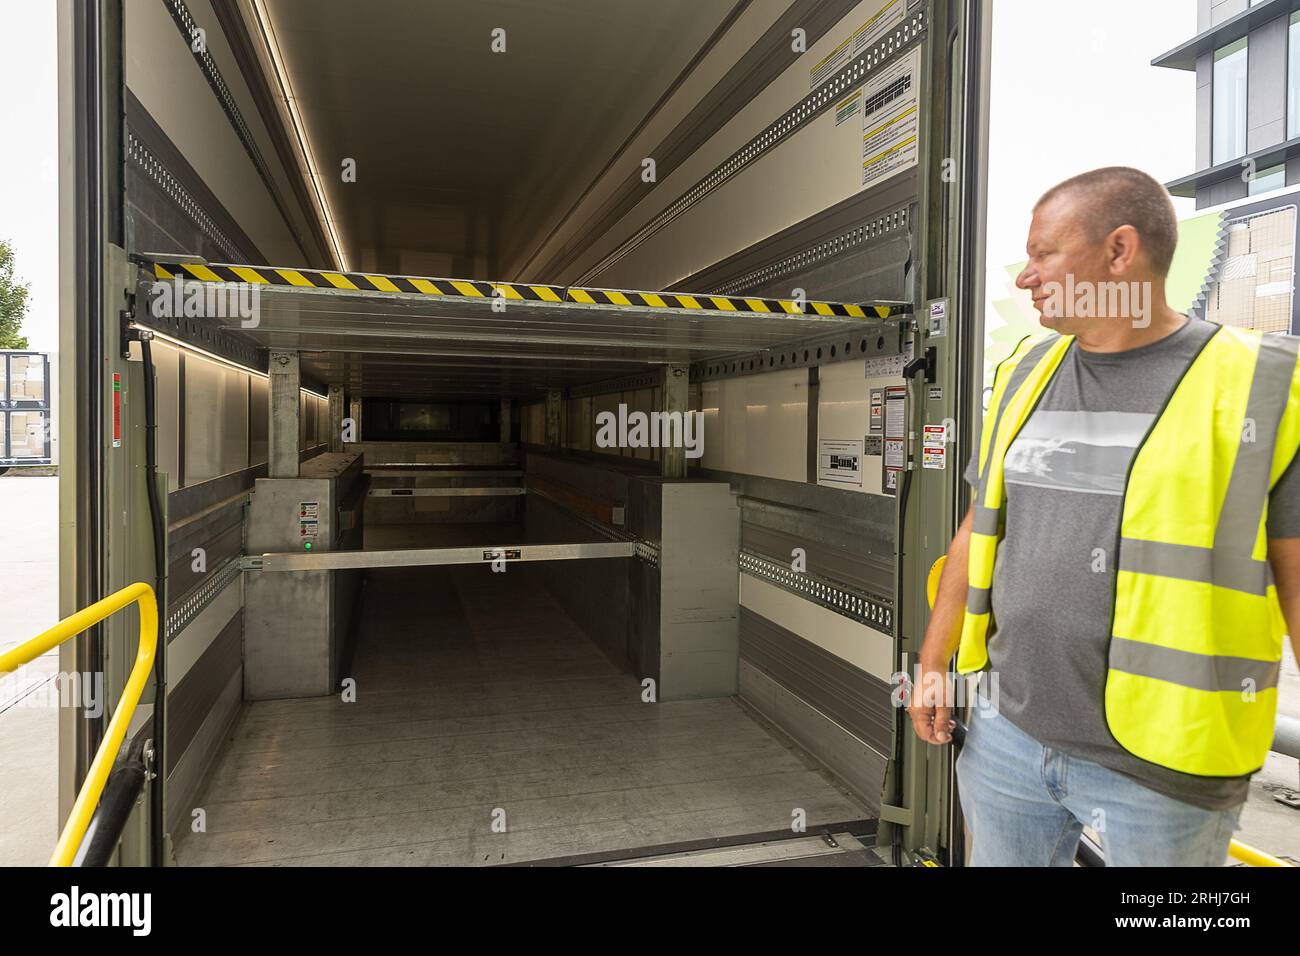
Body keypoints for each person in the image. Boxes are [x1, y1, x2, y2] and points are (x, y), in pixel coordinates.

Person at [911, 166, 1300, 866]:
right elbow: (980, 526)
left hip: (1166, 771)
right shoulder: (1027, 372)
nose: (1026, 278)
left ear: (1119, 252)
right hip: (1008, 738)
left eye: (1043, 254)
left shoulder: (1260, 385)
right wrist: (932, 662)